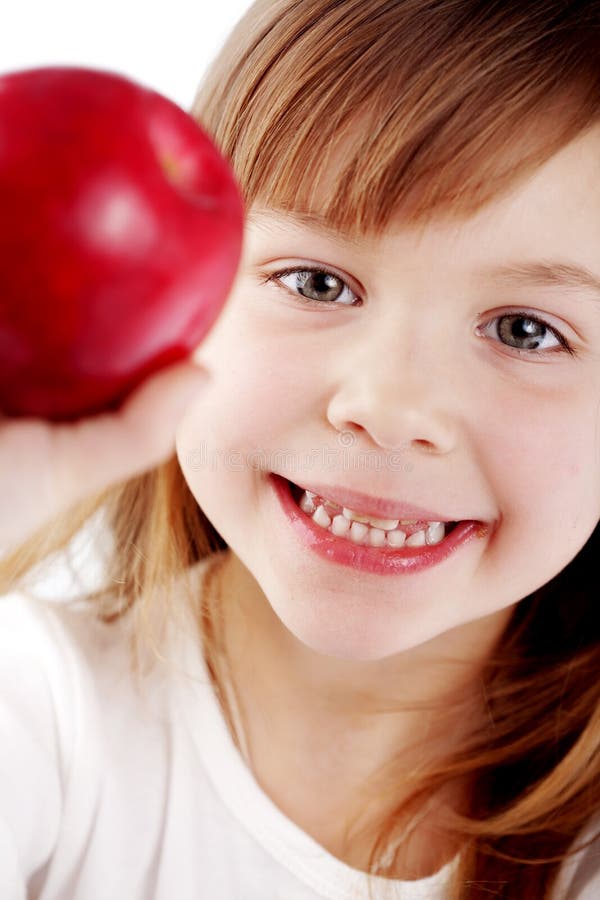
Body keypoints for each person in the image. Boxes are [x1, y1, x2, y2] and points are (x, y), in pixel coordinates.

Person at [2, 0, 600, 897]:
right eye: (317, 282)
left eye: (525, 330)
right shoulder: (40, 712)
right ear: (187, 296)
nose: (389, 408)